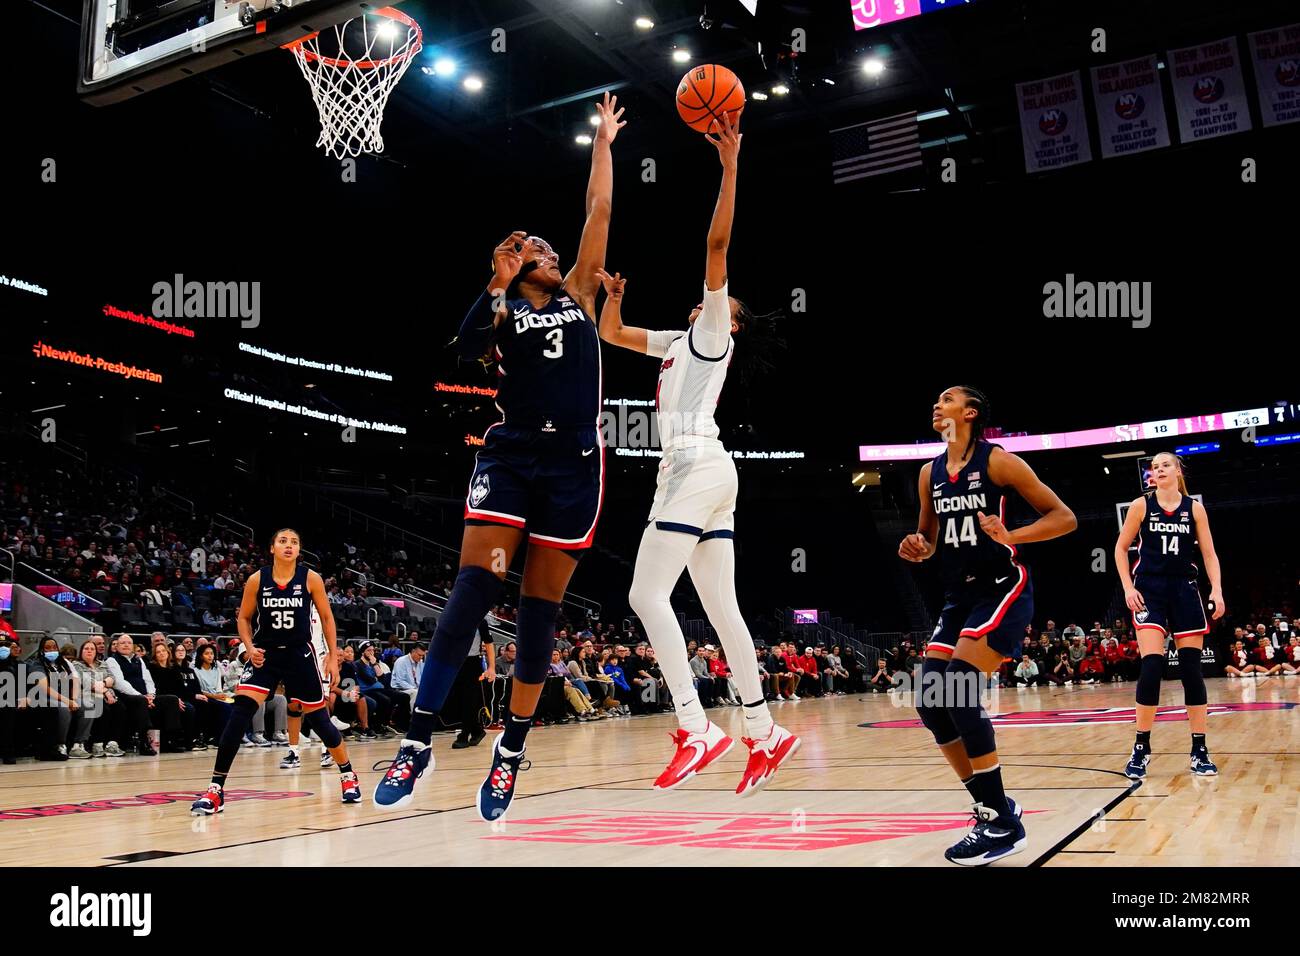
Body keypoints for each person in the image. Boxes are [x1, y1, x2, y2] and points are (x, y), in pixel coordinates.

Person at [374, 93, 626, 819]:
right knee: (472, 594)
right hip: (512, 456)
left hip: (576, 465)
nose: (545, 254)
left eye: (545, 249)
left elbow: (598, 213)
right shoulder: (505, 309)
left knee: (540, 612)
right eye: (532, 252)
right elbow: (462, 347)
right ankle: (417, 742)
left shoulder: (580, 293)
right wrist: (493, 276)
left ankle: (509, 752)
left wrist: (602, 142)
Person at [595, 115, 796, 793]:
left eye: (721, 301)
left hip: (692, 466)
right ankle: (765, 731)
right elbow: (613, 336)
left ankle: (696, 725)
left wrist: (731, 167)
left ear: (729, 320)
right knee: (722, 610)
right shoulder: (677, 343)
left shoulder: (712, 334)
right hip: (706, 472)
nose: (710, 298)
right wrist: (613, 301)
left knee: (646, 592)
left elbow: (716, 243)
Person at [899, 385, 1077, 864]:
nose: (937, 404)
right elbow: (930, 539)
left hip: (1003, 585)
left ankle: (1001, 823)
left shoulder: (999, 462)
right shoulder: (927, 473)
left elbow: (1065, 518)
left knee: (956, 685)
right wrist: (917, 547)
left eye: (948, 399)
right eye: (935, 399)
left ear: (970, 413)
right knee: (931, 702)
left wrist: (1011, 534)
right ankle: (992, 805)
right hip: (960, 595)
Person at [191, 529, 360, 815]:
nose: (289, 545)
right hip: (265, 654)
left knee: (319, 720)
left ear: (299, 549)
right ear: (272, 548)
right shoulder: (258, 579)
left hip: (300, 654)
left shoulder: (310, 578)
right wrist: (248, 646)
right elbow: (243, 618)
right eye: (283, 541)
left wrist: (332, 656)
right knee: (240, 711)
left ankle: (347, 775)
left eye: (294, 542)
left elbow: (328, 619)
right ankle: (215, 789)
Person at [1115, 452, 1224, 780]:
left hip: (1184, 590)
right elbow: (1121, 548)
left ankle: (1199, 749)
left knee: (1192, 670)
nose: (1159, 469)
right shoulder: (1140, 506)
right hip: (1150, 589)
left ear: (1178, 471)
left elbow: (1208, 553)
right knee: (1152, 665)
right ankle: (1141, 747)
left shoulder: (1195, 508)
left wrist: (1216, 589)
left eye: (1166, 465)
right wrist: (1127, 588)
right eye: (1155, 467)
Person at [451, 620, 495, 749]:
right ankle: (476, 730)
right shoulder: (453, 617)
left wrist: (491, 667)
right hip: (455, 661)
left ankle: (464, 735)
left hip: (472, 662)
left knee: (469, 700)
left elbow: (489, 643)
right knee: (458, 699)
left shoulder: (480, 621)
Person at [69, 639, 113, 758]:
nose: (89, 651)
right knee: (99, 707)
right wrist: (105, 690)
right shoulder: (76, 665)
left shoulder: (102, 664)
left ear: (96, 652)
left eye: (92, 649)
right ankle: (85, 744)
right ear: (81, 651)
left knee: (120, 707)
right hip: (86, 695)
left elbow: (112, 679)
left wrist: (104, 684)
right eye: (86, 649)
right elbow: (87, 682)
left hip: (102, 695)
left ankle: (111, 743)